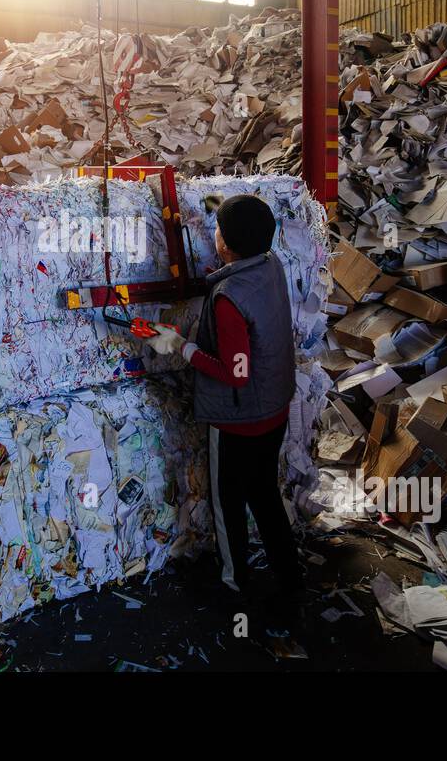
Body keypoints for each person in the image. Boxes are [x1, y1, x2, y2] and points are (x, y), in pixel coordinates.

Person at [146, 194, 301, 608]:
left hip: (240, 419)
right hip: (275, 407)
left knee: (228, 502)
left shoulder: (228, 297)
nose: (213, 234)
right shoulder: (271, 265)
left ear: (227, 243)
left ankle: (235, 584)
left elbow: (235, 371)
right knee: (265, 493)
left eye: (218, 229)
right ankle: (290, 574)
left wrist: (180, 346)